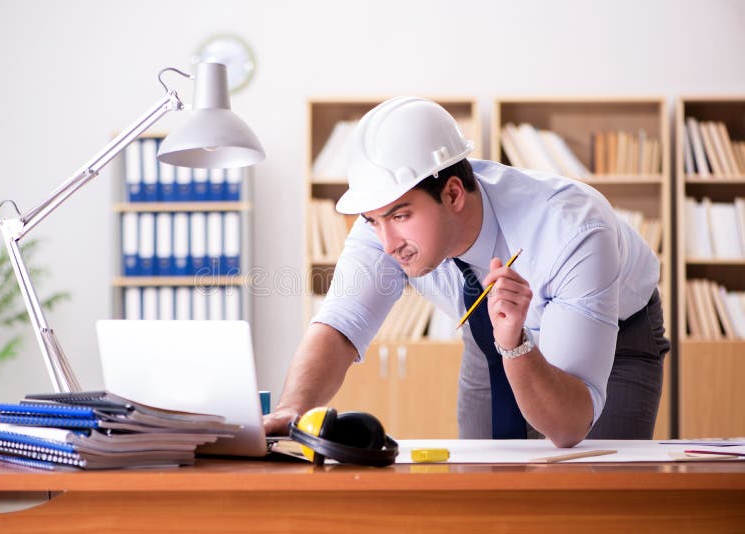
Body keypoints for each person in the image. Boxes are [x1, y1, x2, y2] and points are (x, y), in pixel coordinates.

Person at [264, 96, 669, 447]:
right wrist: (290, 412)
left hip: (617, 338)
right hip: (492, 334)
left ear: (453, 193)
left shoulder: (571, 228)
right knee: (481, 484)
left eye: (401, 215)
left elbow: (569, 425)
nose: (387, 244)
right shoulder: (383, 227)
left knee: (593, 491)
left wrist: (514, 344)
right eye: (373, 220)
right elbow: (340, 324)